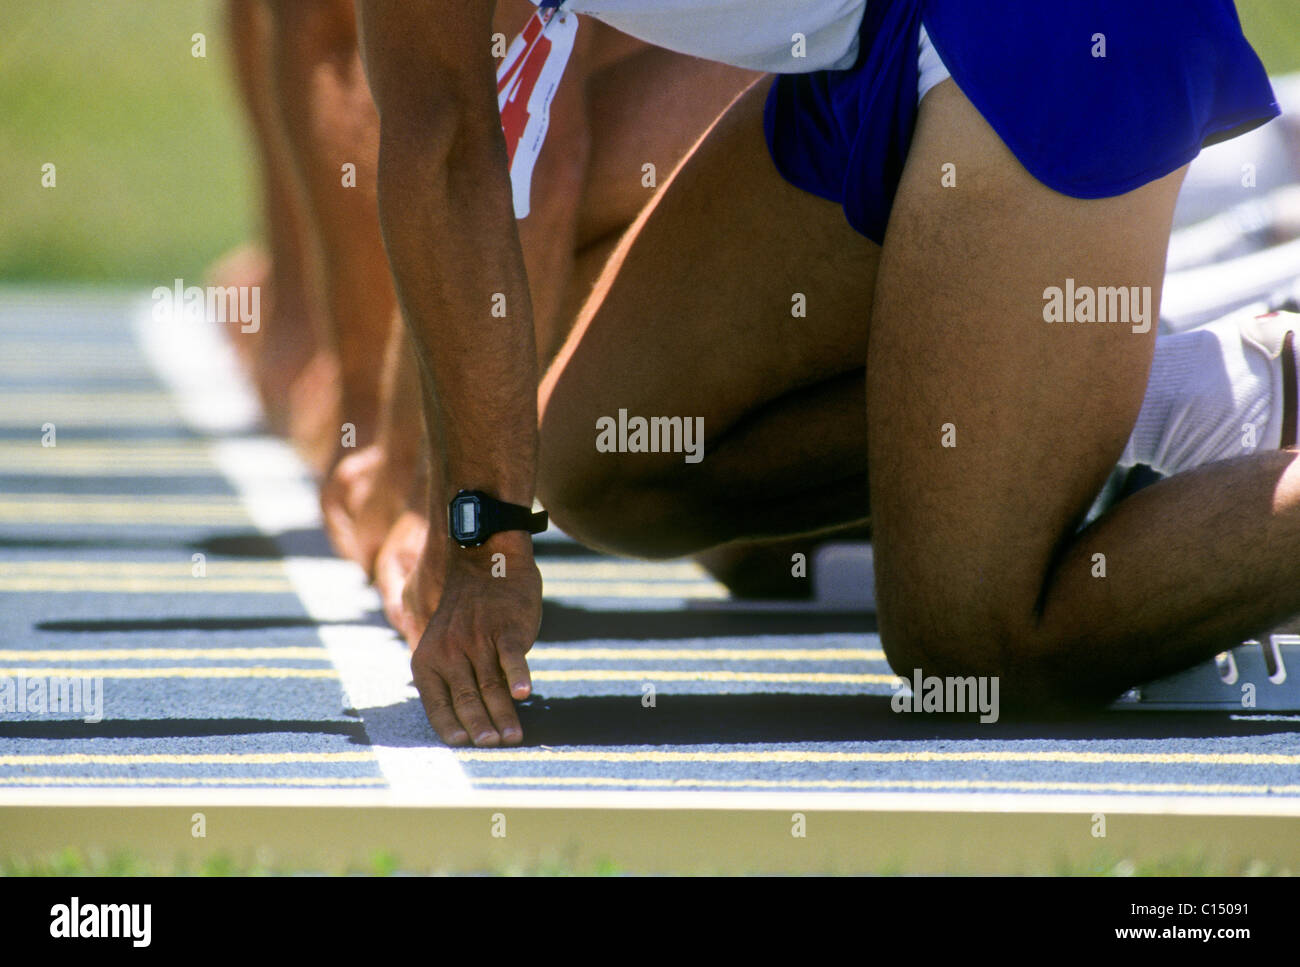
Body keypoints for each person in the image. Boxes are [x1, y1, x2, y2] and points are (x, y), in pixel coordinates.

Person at [356, 0, 1289, 749]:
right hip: (867, 36)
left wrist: (477, 532)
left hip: (1042, 24)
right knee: (608, 462)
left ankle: (1109, 408)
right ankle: (1166, 396)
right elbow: (448, 123)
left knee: (973, 650)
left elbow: (450, 142)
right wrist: (477, 516)